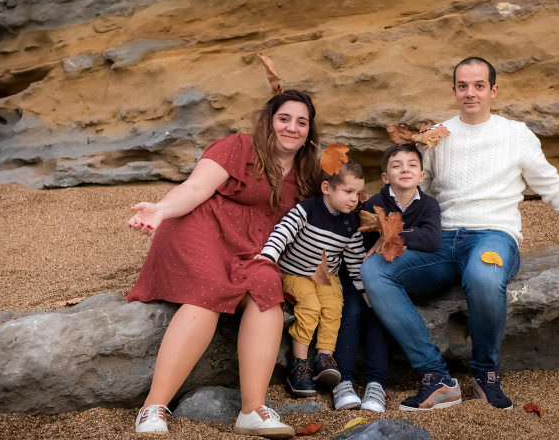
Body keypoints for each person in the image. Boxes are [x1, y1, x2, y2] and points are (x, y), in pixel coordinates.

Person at [361, 57, 559, 412]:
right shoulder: (436, 136)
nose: (471, 93)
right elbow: (423, 197)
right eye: (463, 86)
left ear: (493, 90)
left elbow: (555, 189)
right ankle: (436, 377)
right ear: (454, 90)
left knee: (483, 276)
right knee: (375, 270)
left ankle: (485, 373)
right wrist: (387, 235)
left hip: (493, 236)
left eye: (479, 85)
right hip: (443, 242)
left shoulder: (516, 135)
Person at [126, 90, 321, 438]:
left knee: (267, 289)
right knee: (210, 291)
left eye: (301, 122)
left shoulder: (307, 174)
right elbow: (196, 188)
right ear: (269, 122)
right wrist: (162, 209)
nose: (292, 127)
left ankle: (252, 409)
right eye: (284, 119)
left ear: (310, 130)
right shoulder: (239, 146)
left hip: (252, 248)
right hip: (203, 229)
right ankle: (152, 407)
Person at [333, 143, 442, 413]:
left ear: (422, 176)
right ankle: (343, 380)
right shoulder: (374, 204)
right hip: (358, 275)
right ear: (385, 177)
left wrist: (391, 235)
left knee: (381, 317)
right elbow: (358, 245)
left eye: (412, 165)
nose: (405, 169)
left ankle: (375, 383)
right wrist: (362, 288)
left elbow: (431, 240)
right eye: (396, 165)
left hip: (393, 277)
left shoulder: (428, 205)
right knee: (352, 312)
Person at [259, 160, 365, 397]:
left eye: (357, 193)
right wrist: (268, 256)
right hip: (294, 271)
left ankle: (324, 357)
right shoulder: (308, 209)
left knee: (334, 306)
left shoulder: (351, 223)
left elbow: (355, 258)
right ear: (327, 188)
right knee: (310, 307)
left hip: (327, 276)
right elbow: (283, 231)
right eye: (348, 192)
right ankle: (299, 364)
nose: (354, 199)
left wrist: (363, 289)